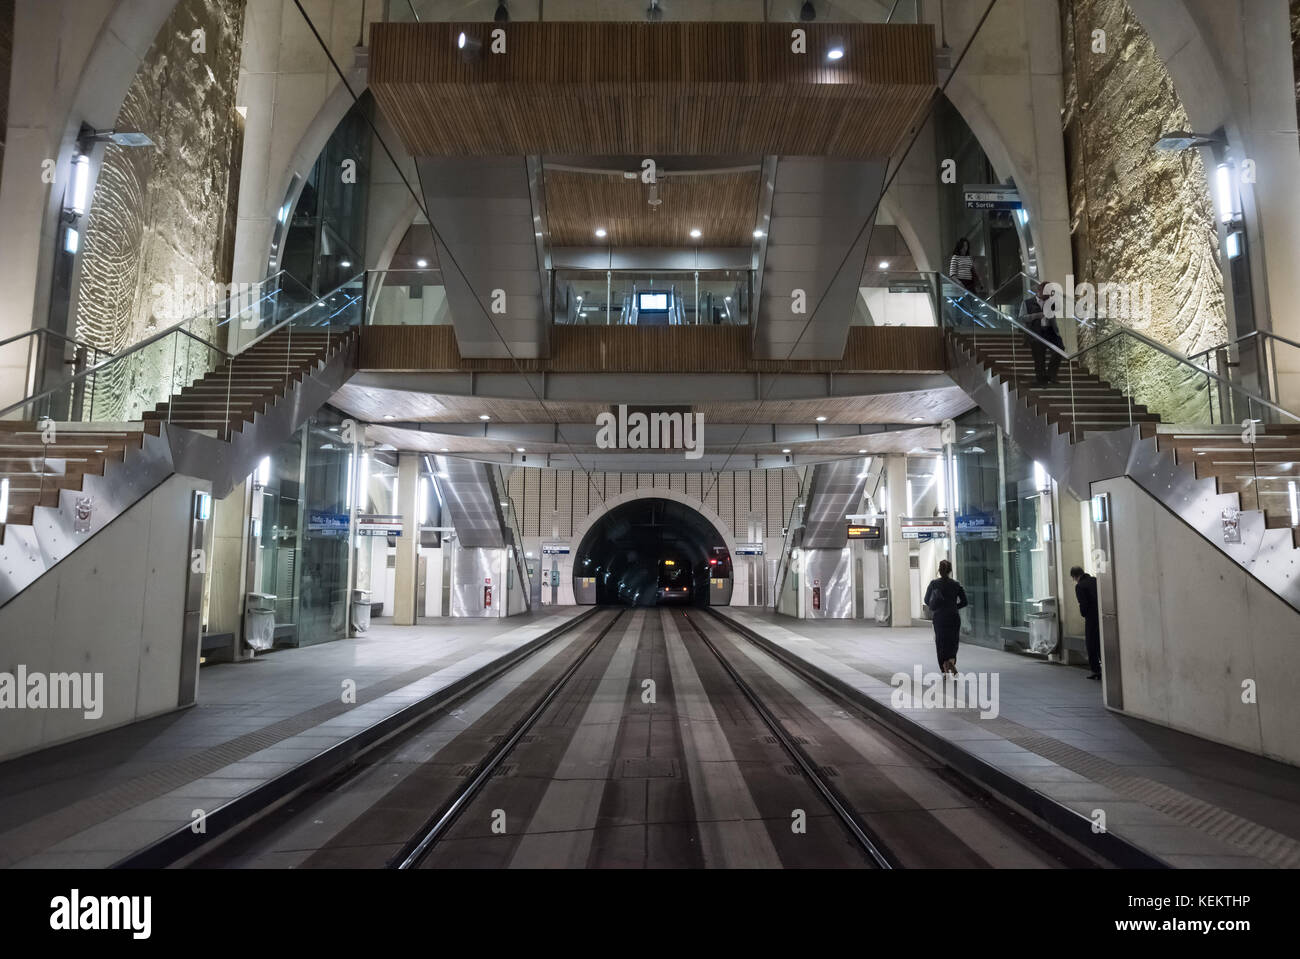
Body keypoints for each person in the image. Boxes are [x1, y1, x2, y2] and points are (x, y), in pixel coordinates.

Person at [924, 560, 968, 676]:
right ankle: (951, 660)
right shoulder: (956, 584)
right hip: (953, 617)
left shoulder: (933, 583)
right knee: (953, 641)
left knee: (941, 642)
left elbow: (926, 600)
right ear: (950, 571)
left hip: (939, 617)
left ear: (939, 570)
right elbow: (965, 602)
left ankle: (944, 666)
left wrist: (936, 606)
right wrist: (954, 607)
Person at [1020, 282, 1064, 385]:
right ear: (1039, 291)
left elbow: (1059, 309)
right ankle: (1041, 379)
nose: (1049, 294)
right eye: (1047, 292)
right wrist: (1036, 315)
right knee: (1039, 356)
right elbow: (1022, 318)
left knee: (1060, 349)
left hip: (1050, 331)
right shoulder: (1027, 303)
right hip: (1036, 332)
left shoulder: (1051, 302)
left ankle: (1051, 375)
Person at [1071, 566, 1101, 680]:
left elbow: (1083, 604)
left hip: (1091, 618)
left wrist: (1084, 614)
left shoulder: (1080, 586)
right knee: (1100, 643)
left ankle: (1096, 671)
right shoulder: (1095, 580)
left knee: (1091, 644)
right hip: (1101, 616)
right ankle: (1108, 668)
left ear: (1075, 576)